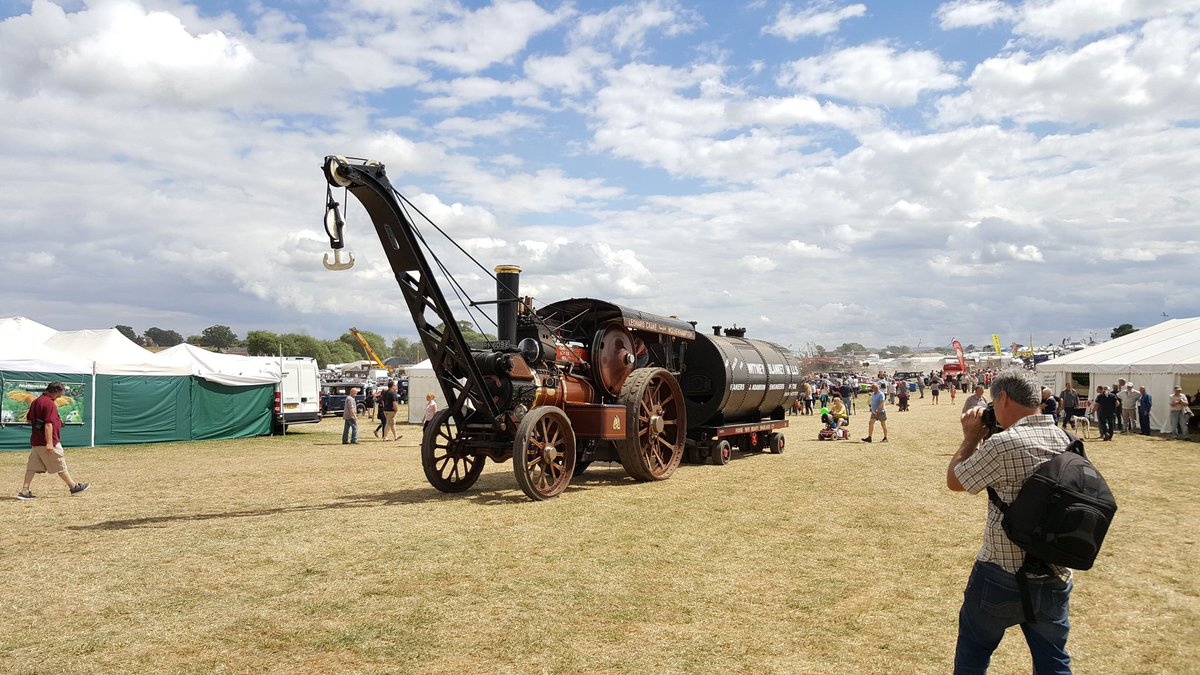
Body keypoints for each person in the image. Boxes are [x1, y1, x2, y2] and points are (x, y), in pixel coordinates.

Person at [946, 370, 1075, 674]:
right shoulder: (1065, 439)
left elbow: (955, 480)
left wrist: (970, 439)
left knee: (974, 653)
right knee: (1054, 660)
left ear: (1003, 397)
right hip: (1054, 570)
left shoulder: (1003, 444)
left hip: (1001, 571)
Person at [16, 382, 89, 501]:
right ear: (55, 391)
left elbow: (29, 420)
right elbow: (48, 424)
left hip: (36, 442)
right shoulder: (49, 403)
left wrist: (39, 426)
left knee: (32, 467)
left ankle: (25, 491)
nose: (60, 397)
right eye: (59, 394)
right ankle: (73, 487)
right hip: (48, 442)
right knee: (60, 465)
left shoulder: (36, 402)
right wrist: (49, 443)